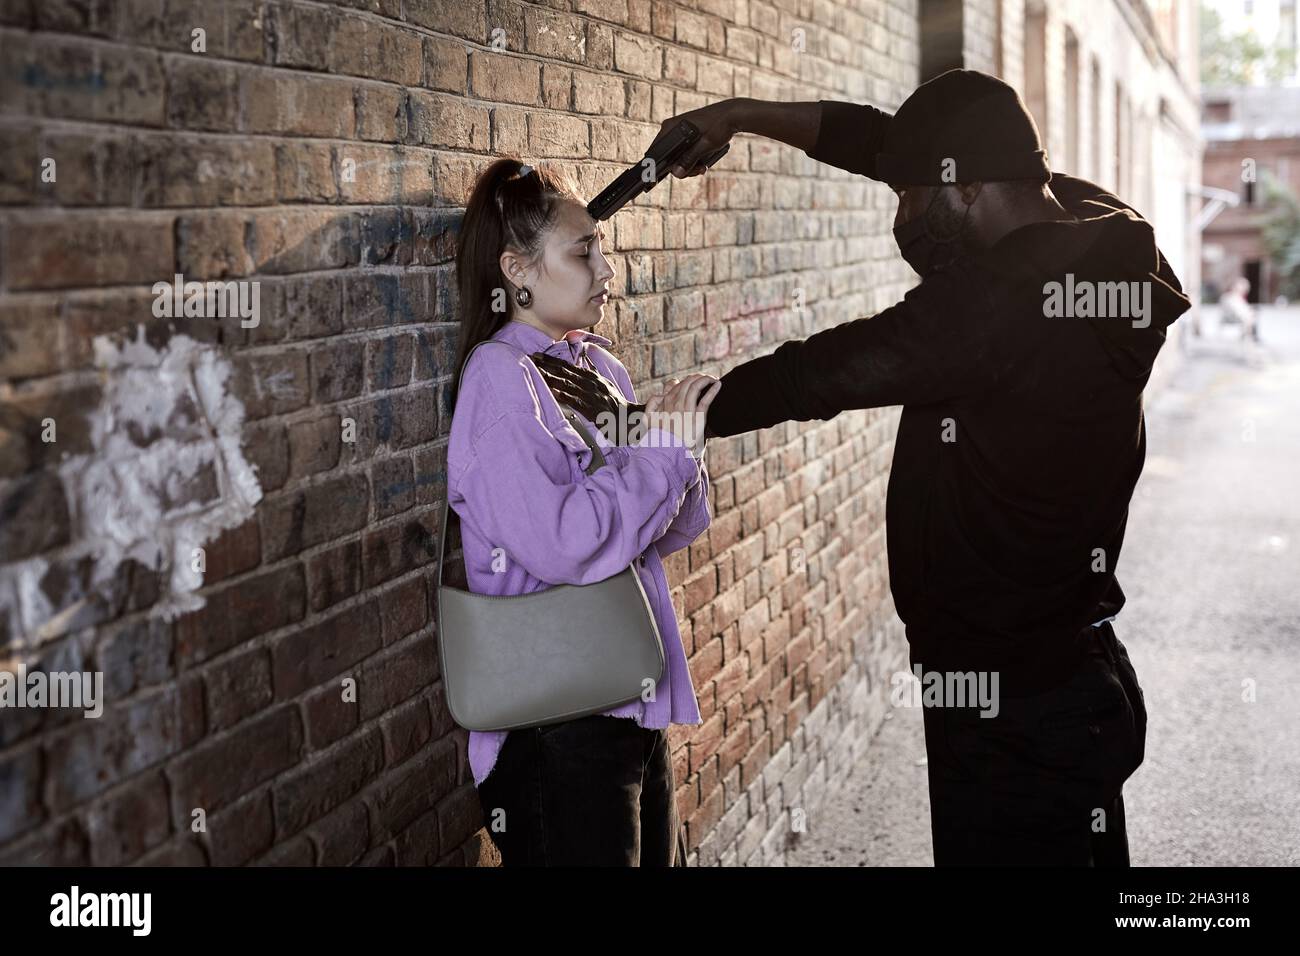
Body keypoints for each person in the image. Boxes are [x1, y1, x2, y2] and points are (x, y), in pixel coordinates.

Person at [534, 70, 1186, 865]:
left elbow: (818, 376)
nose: (900, 214)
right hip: (1067, 682)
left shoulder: (1002, 310)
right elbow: (884, 143)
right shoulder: (1095, 228)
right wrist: (739, 116)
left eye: (912, 197)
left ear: (972, 189)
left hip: (1018, 711)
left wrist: (637, 421)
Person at [448, 158, 721, 865]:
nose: (607, 270)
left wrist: (678, 450)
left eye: (601, 247)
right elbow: (569, 544)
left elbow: (674, 527)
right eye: (583, 251)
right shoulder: (501, 384)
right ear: (518, 270)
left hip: (627, 695)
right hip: (558, 726)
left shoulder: (598, 370)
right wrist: (659, 458)